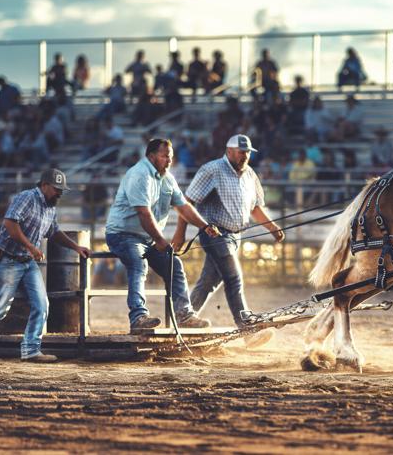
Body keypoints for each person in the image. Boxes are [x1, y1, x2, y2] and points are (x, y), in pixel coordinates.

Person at [0, 169, 91, 362]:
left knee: (42, 305)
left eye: (61, 190)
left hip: (28, 262)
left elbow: (54, 232)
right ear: (44, 185)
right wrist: (31, 247)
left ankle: (31, 349)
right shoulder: (27, 198)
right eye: (57, 189)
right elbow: (10, 223)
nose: (59, 193)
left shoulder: (50, 208)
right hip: (9, 259)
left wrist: (76, 247)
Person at [174, 134, 285, 348]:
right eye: (241, 152)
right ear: (229, 151)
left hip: (235, 235)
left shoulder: (250, 174)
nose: (245, 156)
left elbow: (255, 208)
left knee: (209, 281)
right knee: (234, 279)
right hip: (214, 233)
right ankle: (247, 330)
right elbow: (187, 202)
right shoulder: (212, 170)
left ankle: (184, 318)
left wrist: (273, 227)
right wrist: (181, 232)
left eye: (247, 153)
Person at [105, 139, 221, 332]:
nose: (169, 161)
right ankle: (138, 317)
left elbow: (183, 206)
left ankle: (184, 315)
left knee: (174, 265)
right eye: (165, 156)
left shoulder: (167, 178)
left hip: (147, 238)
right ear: (151, 156)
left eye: (171, 157)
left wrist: (205, 226)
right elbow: (143, 213)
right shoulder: (139, 175)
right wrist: (160, 240)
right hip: (122, 235)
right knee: (138, 263)